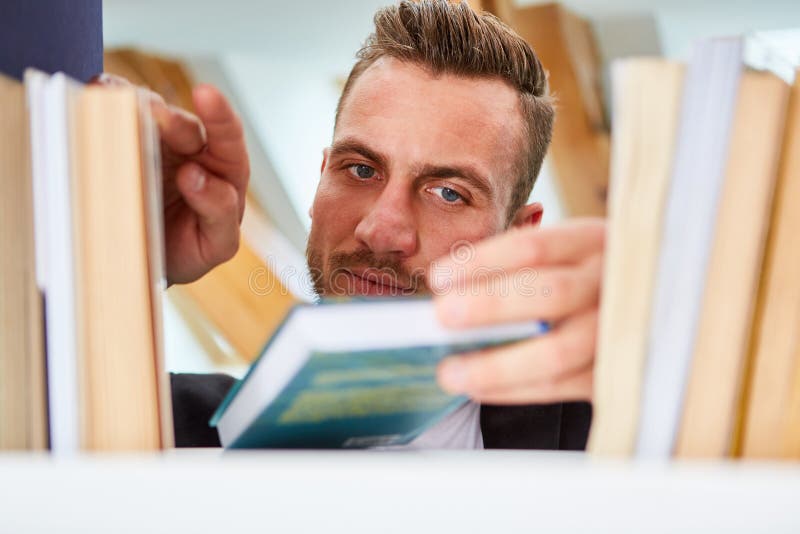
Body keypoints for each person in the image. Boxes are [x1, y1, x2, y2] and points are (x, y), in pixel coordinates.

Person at [130, 0, 604, 448]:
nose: (381, 231)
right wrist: (139, 263)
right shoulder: (162, 423)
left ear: (518, 235)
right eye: (361, 169)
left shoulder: (609, 433)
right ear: (320, 181)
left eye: (448, 193)